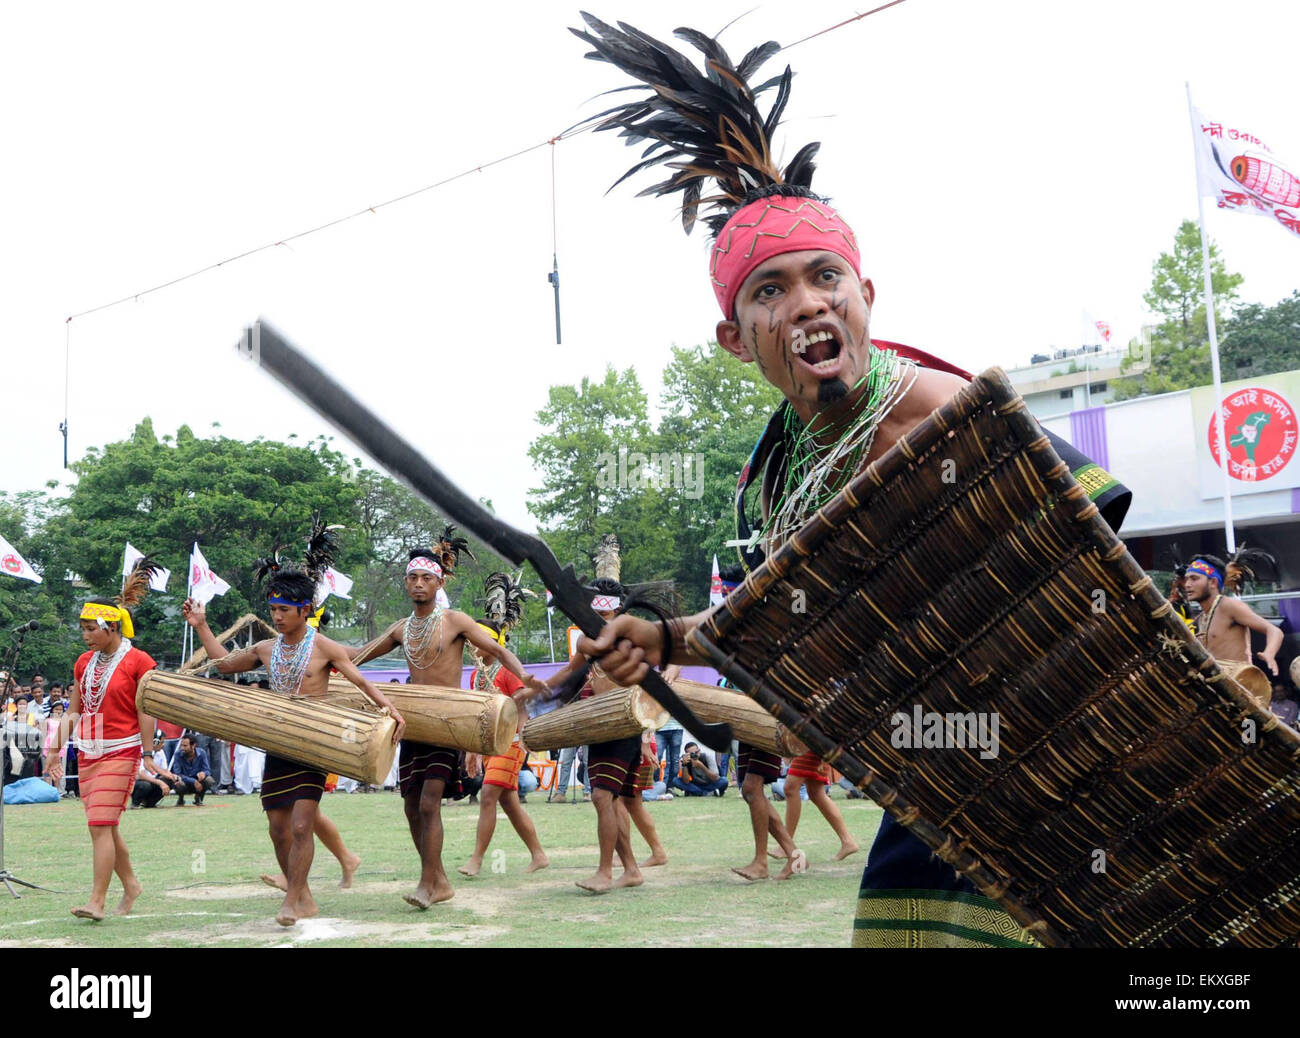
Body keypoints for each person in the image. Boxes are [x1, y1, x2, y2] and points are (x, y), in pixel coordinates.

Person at [571, 18, 1132, 945]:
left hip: (1053, 766)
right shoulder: (779, 466)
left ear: (866, 295)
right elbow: (792, 617)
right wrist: (664, 637)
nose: (806, 303)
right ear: (734, 338)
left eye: (826, 276)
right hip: (936, 780)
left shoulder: (939, 414)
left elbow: (1098, 561)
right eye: (770, 290)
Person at [183, 519, 405, 926]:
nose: (278, 616)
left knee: (303, 825)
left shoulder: (324, 647)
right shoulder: (266, 648)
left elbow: (358, 678)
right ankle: (300, 894)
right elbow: (225, 663)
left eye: (284, 610)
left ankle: (293, 900)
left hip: (314, 744)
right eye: (273, 610)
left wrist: (389, 708)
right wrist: (201, 625)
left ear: (305, 610)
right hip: (278, 743)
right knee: (277, 829)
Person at [351, 544, 546, 908]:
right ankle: (438, 879)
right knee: (410, 806)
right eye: (413, 577)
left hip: (448, 722)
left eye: (427, 577)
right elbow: (356, 656)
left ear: (439, 582)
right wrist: (316, 653)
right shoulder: (400, 629)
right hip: (413, 725)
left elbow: (500, 650)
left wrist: (526, 675)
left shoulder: (455, 621)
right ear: (405, 583)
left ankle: (428, 883)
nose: (419, 584)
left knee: (429, 804)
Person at [541, 559, 680, 894]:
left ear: (617, 611)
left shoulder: (634, 639)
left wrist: (663, 691)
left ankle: (606, 872)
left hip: (625, 726)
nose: (601, 619)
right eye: (597, 613)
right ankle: (630, 869)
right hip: (601, 727)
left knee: (604, 796)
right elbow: (567, 674)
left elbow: (674, 657)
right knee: (614, 800)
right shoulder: (588, 642)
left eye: (606, 614)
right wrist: (536, 691)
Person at [43, 557, 164, 920]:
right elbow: (75, 711)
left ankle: (96, 900)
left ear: (111, 628)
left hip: (121, 750)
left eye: (89, 628)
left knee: (99, 824)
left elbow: (147, 710)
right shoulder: (83, 662)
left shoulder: (140, 661)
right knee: (105, 825)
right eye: (82, 629)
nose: (84, 635)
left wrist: (146, 753)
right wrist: (53, 749)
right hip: (87, 751)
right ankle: (131, 885)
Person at [457, 572, 550, 879]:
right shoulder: (475, 674)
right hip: (489, 743)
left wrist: (522, 734)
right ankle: (539, 854)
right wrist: (472, 750)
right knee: (508, 802)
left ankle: (477, 860)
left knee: (487, 795)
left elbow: (529, 695)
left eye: (479, 639)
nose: (473, 644)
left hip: (510, 743)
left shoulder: (507, 669)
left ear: (492, 642)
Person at [1183, 555, 1284, 689]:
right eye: (1186, 579)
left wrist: (1269, 654)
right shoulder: (1200, 619)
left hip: (1240, 688)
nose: (1187, 584)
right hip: (1218, 690)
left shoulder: (1229, 606)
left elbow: (1274, 631)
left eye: (1194, 578)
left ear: (1213, 582)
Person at [782, 751, 859, 862]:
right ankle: (848, 841)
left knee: (790, 787)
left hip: (812, 743)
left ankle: (785, 845)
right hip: (816, 744)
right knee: (815, 792)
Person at [158, 733, 215, 806]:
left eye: (185, 746)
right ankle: (181, 799)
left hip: (198, 781)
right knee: (178, 783)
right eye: (181, 745)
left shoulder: (202, 753)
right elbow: (177, 773)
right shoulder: (178, 754)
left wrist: (203, 774)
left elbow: (207, 770)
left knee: (209, 780)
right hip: (184, 782)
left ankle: (199, 797)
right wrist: (193, 781)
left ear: (193, 745)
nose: (182, 748)